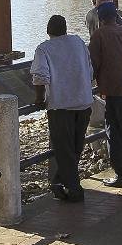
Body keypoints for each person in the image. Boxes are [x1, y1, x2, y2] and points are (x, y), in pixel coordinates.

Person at [30, 15, 95, 203]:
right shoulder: (78, 42)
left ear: (48, 31)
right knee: (76, 146)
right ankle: (59, 182)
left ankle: (74, 189)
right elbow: (89, 69)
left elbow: (41, 76)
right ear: (66, 29)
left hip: (61, 106)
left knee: (64, 148)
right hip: (83, 101)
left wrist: (39, 98)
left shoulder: (44, 48)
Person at [88, 2, 122, 188]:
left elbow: (92, 64)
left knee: (115, 131)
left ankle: (121, 174)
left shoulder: (99, 35)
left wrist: (88, 84)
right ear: (116, 16)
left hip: (115, 90)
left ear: (100, 19)